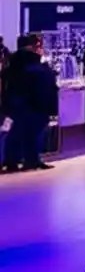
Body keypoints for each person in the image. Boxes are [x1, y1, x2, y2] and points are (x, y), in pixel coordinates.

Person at [1, 35, 59, 172]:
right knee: (30, 133)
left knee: (21, 132)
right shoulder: (32, 64)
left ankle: (17, 161)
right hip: (33, 102)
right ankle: (29, 160)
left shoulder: (16, 61)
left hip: (24, 102)